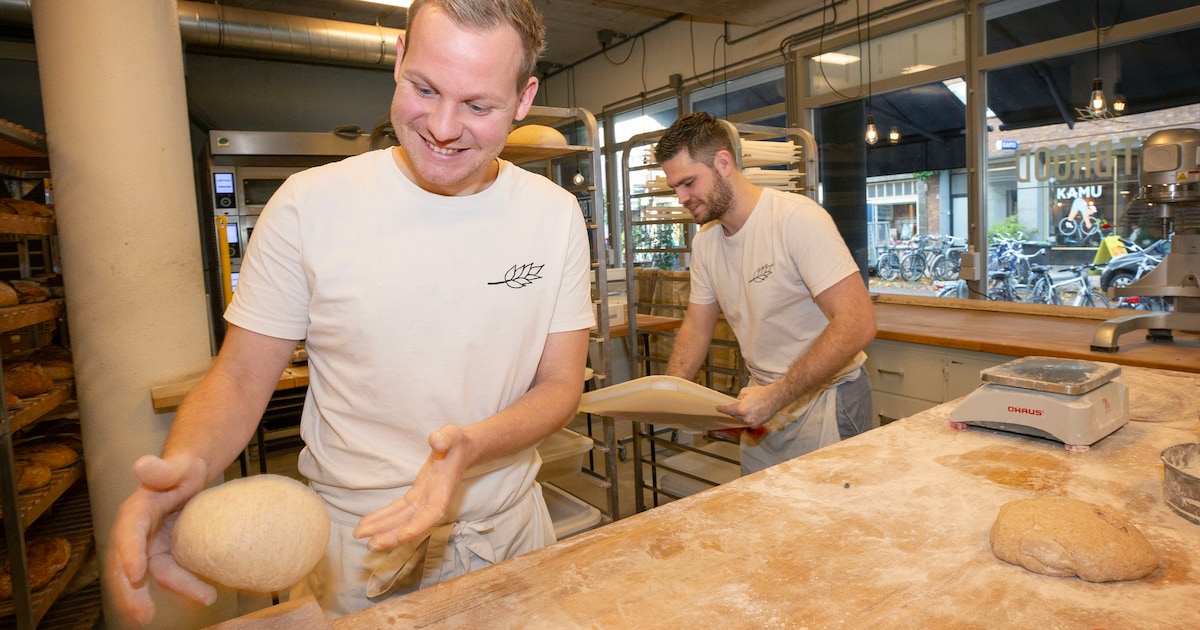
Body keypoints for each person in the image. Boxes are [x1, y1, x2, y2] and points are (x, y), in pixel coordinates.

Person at [105, 0, 594, 623]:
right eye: (424, 89)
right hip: (360, 553)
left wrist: (470, 448)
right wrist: (187, 468)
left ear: (524, 99)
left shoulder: (551, 217)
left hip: (509, 532)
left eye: (478, 106)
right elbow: (240, 378)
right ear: (398, 61)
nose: (443, 127)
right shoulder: (309, 205)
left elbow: (558, 386)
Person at [655, 112, 876, 475]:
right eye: (675, 187)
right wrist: (672, 394)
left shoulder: (795, 219)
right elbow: (696, 328)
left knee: (831, 527)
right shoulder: (707, 243)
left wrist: (776, 395)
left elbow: (857, 323)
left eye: (688, 183)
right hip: (761, 406)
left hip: (827, 401)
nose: (681, 198)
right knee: (763, 524)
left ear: (723, 162)